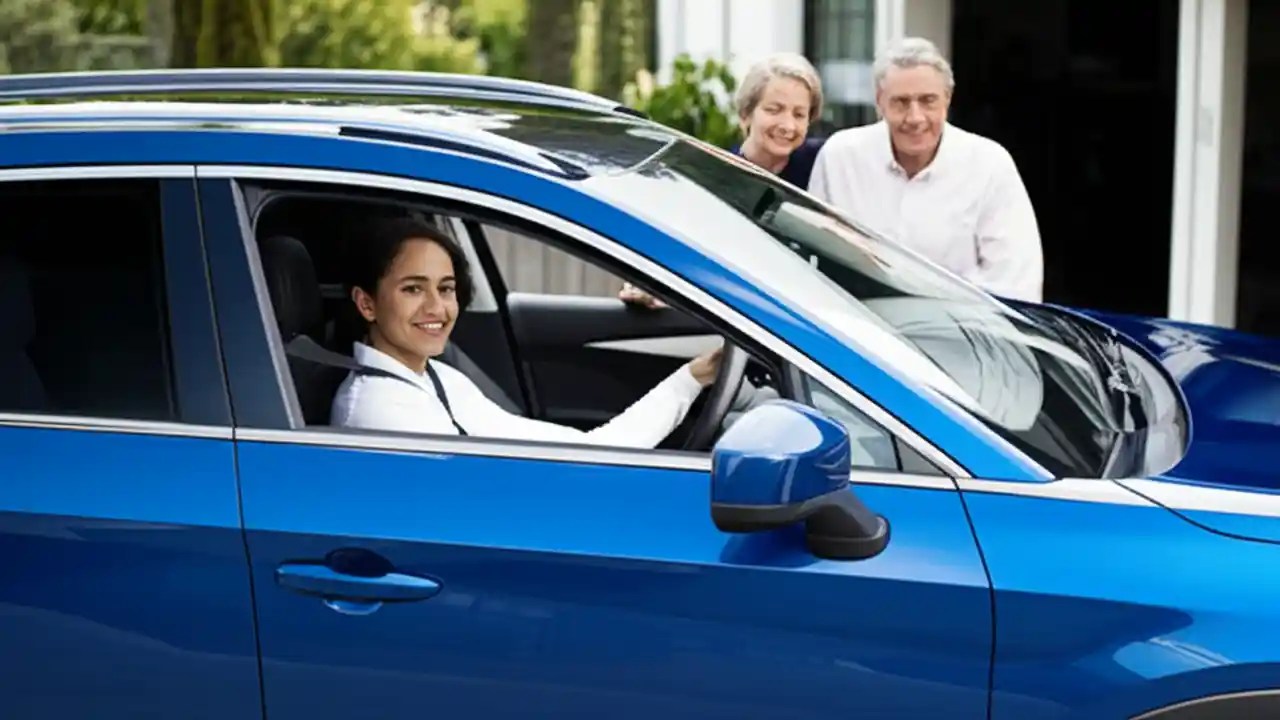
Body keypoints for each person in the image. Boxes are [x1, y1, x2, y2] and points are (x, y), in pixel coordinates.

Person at [330, 217, 723, 447]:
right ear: (367, 303)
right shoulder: (382, 410)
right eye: (413, 289)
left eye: (446, 288)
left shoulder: (433, 377)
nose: (437, 308)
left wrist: (696, 376)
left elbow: (580, 452)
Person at [808, 37, 1044, 303]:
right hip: (854, 326)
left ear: (947, 99)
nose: (915, 118)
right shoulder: (840, 156)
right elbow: (812, 257)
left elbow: (1015, 283)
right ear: (879, 101)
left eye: (928, 101)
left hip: (958, 331)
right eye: (901, 102)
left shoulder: (990, 165)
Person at [620, 52, 826, 310]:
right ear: (745, 115)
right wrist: (650, 287)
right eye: (774, 110)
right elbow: (686, 252)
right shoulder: (715, 178)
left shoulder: (823, 164)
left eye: (799, 115)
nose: (788, 125)